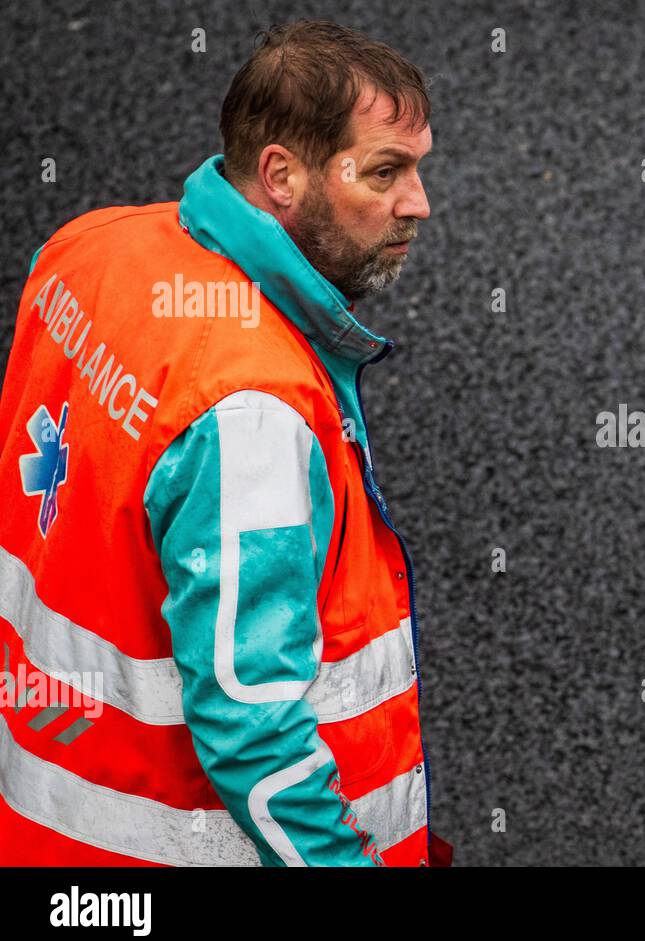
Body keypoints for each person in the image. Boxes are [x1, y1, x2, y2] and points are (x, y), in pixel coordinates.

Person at [0, 19, 452, 866]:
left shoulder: (86, 250)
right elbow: (256, 734)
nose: (418, 202)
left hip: (41, 814)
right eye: (385, 171)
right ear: (281, 174)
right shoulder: (251, 409)